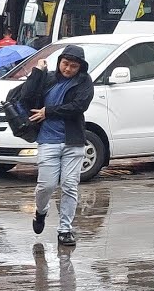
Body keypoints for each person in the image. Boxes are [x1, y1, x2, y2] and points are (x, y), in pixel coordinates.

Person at [16, 45, 95, 247]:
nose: (68, 69)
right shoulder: (48, 78)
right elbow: (26, 97)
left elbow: (79, 106)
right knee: (46, 186)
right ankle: (40, 212)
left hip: (73, 141)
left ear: (80, 67)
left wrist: (48, 112)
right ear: (59, 61)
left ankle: (65, 230)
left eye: (73, 66)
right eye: (65, 64)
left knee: (70, 186)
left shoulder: (84, 82)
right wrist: (37, 72)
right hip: (48, 140)